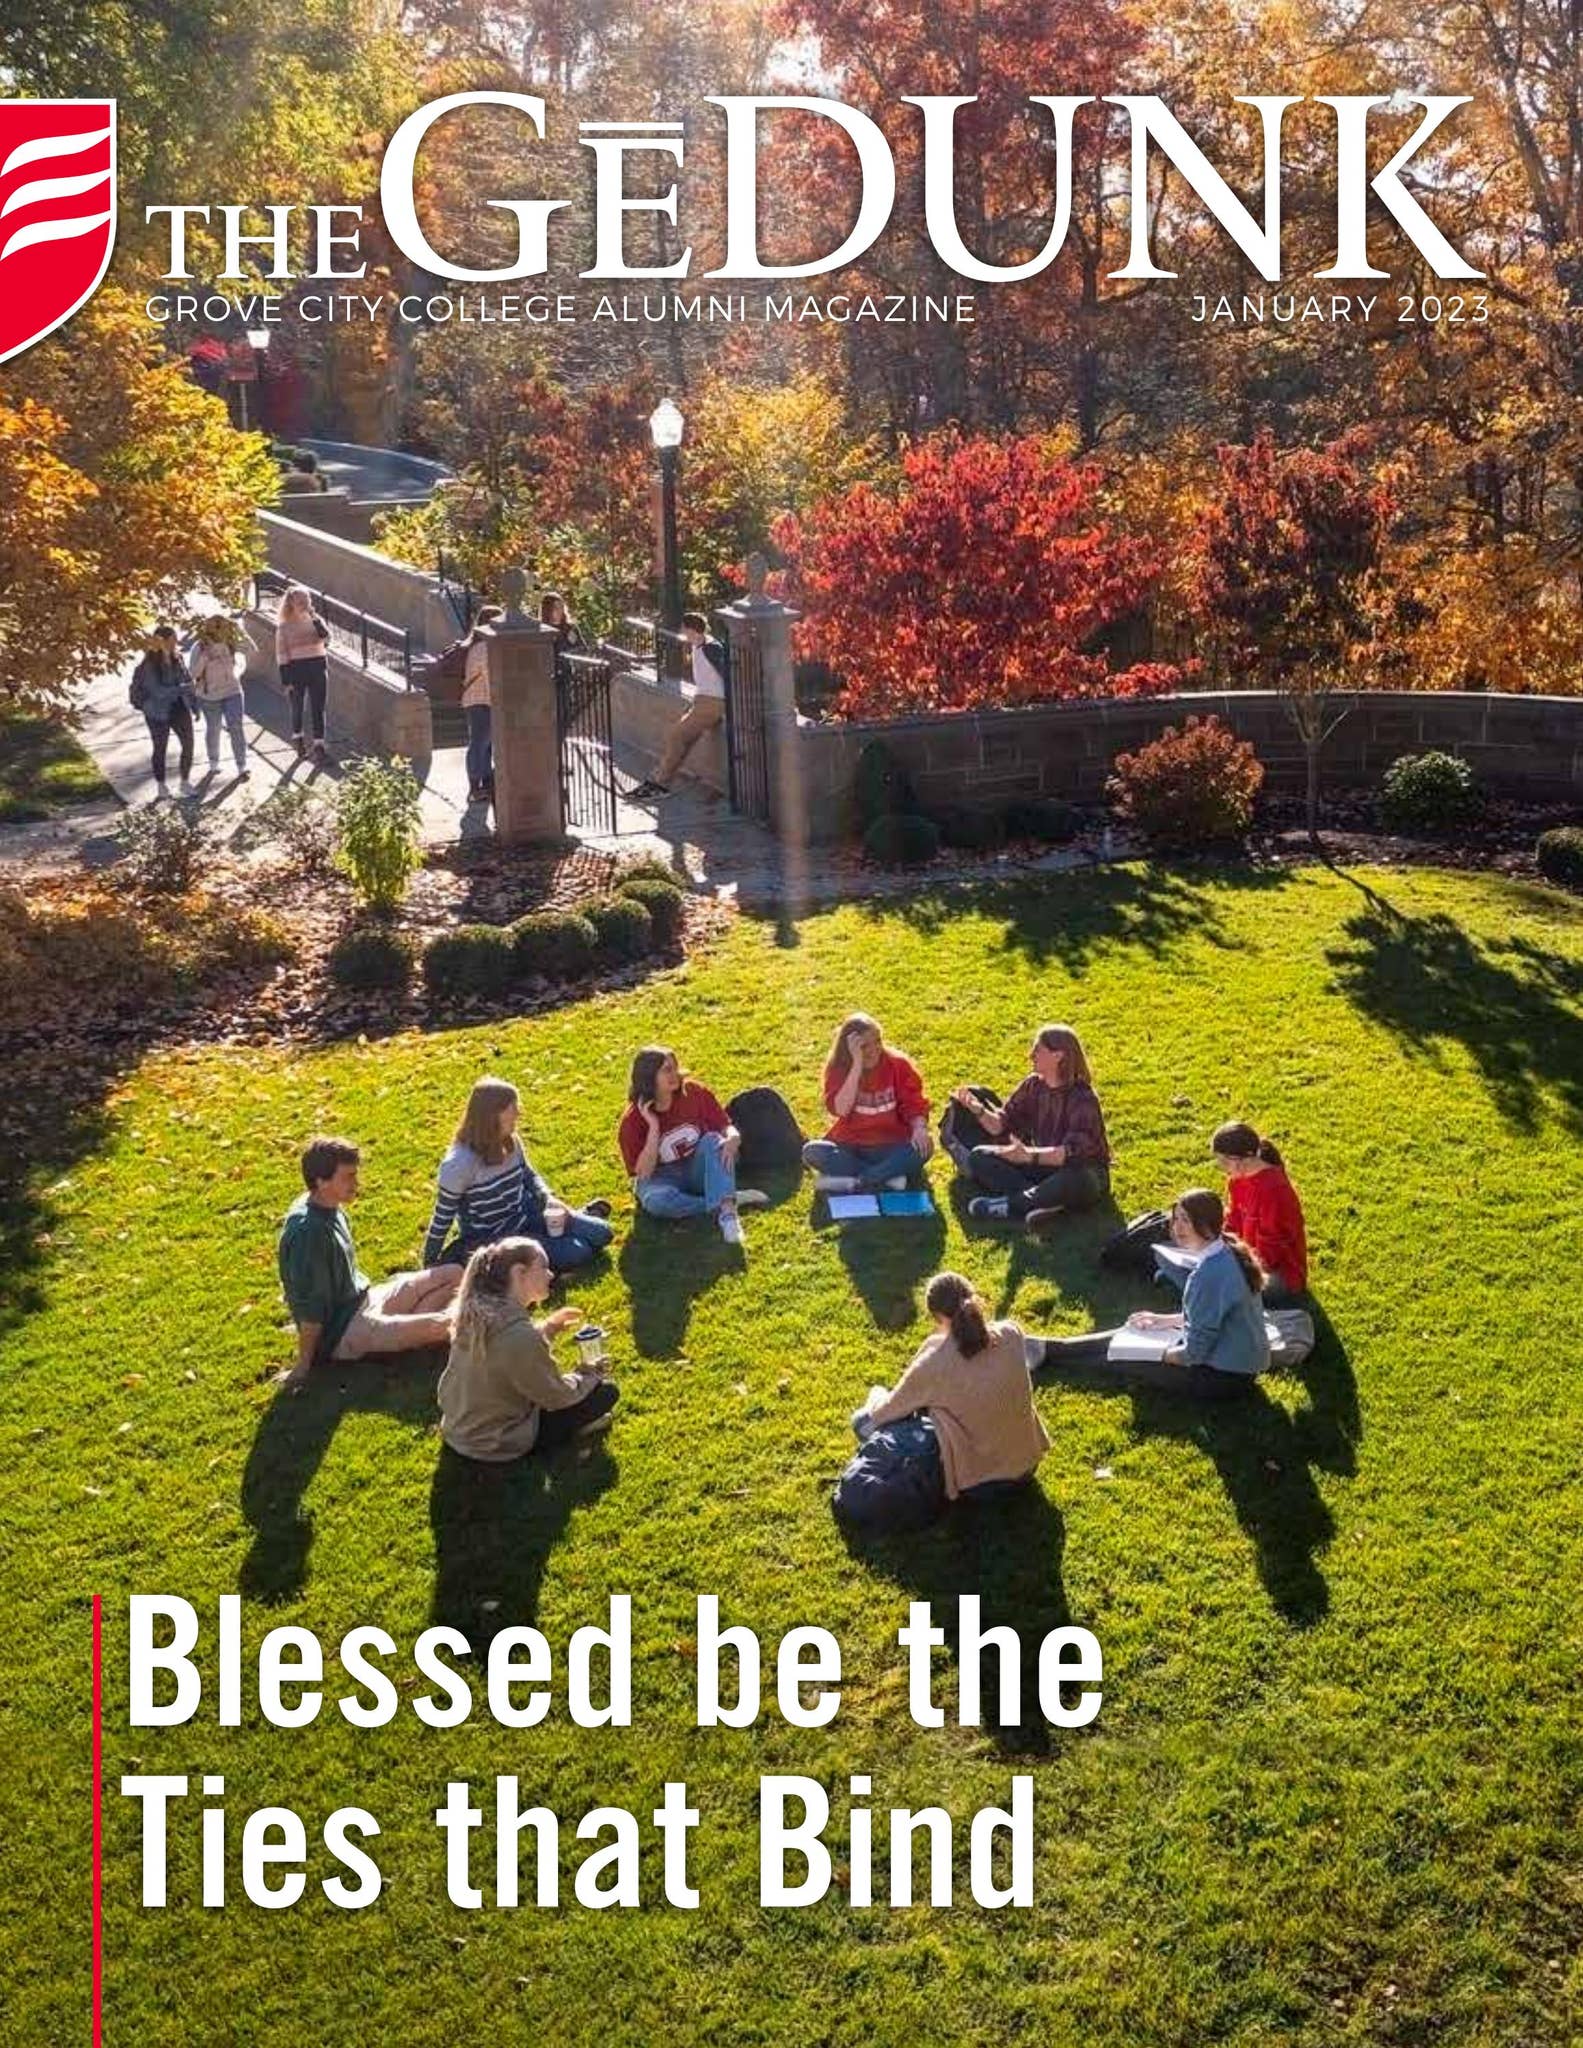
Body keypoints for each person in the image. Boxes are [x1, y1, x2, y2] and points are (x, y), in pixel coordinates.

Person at [1035, 1188, 1270, 1401]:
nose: (1176, 1228)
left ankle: (1052, 1358)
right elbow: (1211, 1316)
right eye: (1175, 1218)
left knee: (1126, 1356)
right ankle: (1047, 1347)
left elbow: (1194, 1354)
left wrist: (1157, 1353)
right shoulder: (1227, 1251)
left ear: (1206, 1225)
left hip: (1223, 1378)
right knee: (1136, 1331)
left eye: (1185, 1221)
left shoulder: (1209, 1274)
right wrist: (1163, 1321)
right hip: (1232, 1360)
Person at [276, 1137, 462, 1389]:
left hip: (365, 1299)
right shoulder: (309, 1235)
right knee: (444, 1323)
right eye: (348, 1177)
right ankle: (501, 1325)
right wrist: (304, 1365)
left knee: (454, 1274)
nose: (356, 1183)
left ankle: (404, 1335)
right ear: (321, 1181)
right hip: (344, 1331)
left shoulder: (329, 1204)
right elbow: (312, 1308)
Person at [858, 1273, 1049, 1503]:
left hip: (982, 1484)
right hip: (1028, 1464)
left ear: (937, 1316)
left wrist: (876, 1396)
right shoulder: (1011, 1332)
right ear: (973, 1296)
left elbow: (882, 1414)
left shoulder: (934, 1364)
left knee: (862, 1421)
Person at [437, 1237, 618, 1461]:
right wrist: (590, 1373)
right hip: (495, 1442)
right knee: (606, 1392)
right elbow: (556, 1395)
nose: (551, 1275)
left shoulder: (475, 1314)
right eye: (543, 1267)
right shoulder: (519, 1336)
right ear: (519, 1272)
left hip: (459, 1430)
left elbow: (506, 1350)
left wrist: (549, 1327)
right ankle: (578, 1429)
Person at [424, 1077, 614, 1274]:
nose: (518, 1113)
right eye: (512, 1108)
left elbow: (529, 1176)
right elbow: (442, 1218)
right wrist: (429, 1263)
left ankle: (572, 1224)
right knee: (578, 1251)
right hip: (499, 1237)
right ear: (493, 1115)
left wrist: (548, 1199)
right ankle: (561, 1235)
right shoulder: (458, 1164)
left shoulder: (511, 1141)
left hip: (529, 1213)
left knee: (603, 1233)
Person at [959, 1024, 1111, 1230]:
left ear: (1058, 1055)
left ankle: (1011, 1206)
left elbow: (1070, 1153)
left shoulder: (1082, 1098)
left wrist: (1028, 1156)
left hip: (1081, 1171)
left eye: (1038, 1049)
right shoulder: (1033, 1086)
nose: (1031, 1055)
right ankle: (1045, 1201)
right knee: (979, 1155)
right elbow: (1000, 1126)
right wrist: (977, 1110)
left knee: (1077, 1179)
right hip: (1043, 1166)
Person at [618, 1046, 766, 1246]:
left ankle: (728, 1216)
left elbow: (724, 1126)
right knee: (656, 1202)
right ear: (648, 1077)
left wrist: (733, 1137)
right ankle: (723, 1199)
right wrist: (653, 1127)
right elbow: (643, 1174)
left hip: (696, 1167)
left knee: (714, 1141)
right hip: (661, 1178)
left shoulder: (694, 1092)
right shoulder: (633, 1120)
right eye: (666, 1070)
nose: (675, 1074)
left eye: (675, 1067)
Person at [803, 1013, 934, 1193]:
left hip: (891, 1144)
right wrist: (857, 1064)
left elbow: (913, 1103)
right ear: (849, 1048)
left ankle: (860, 1180)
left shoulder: (898, 1064)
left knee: (923, 1149)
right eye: (864, 1046)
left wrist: (920, 1128)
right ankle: (887, 1178)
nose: (874, 1050)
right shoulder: (839, 1068)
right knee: (813, 1151)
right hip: (851, 1145)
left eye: (877, 1041)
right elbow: (841, 1109)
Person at [629, 612, 727, 799]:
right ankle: (659, 779)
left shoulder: (710, 648)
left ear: (691, 629)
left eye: (684, 628)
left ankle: (661, 783)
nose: (682, 632)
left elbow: (727, 673)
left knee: (677, 736)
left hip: (712, 702)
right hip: (702, 700)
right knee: (682, 740)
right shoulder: (698, 644)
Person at [1212, 1121, 1308, 1303]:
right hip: (1246, 1261)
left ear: (1239, 1160)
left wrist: (1238, 1267)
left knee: (1222, 1285)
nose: (1223, 1168)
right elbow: (1232, 1223)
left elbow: (1271, 1250)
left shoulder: (1275, 1189)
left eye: (1224, 1162)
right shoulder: (1236, 1181)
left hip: (1278, 1275)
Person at [128, 625, 198, 796]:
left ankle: (185, 782)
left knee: (188, 744)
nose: (176, 643)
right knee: (160, 747)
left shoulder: (178, 658)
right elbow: (158, 692)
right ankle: (161, 785)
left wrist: (195, 705)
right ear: (162, 642)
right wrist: (183, 688)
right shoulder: (149, 666)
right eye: (173, 640)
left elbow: (188, 680)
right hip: (157, 712)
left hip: (179, 707)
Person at [188, 614, 251, 780]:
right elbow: (193, 673)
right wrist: (205, 657)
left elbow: (251, 649)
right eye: (215, 626)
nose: (218, 629)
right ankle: (214, 762)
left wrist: (239, 630)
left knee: (236, 726)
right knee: (214, 728)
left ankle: (242, 765)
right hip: (210, 696)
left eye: (221, 625)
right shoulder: (199, 647)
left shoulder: (231, 642)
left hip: (233, 692)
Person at [455, 604, 507, 802]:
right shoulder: (484, 647)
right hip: (481, 701)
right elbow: (490, 676)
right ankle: (475, 787)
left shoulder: (476, 645)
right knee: (479, 744)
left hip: (479, 700)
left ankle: (484, 785)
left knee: (485, 745)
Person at [275, 583, 332, 762]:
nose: (304, 603)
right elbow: (281, 655)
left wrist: (315, 619)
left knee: (318, 707)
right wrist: (286, 680)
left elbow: (327, 639)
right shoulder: (283, 627)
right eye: (300, 601)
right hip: (296, 670)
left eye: (306, 600)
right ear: (291, 603)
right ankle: (298, 738)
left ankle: (319, 745)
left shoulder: (316, 620)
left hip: (318, 666)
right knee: (298, 707)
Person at [540, 591, 584, 655]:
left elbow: (581, 648)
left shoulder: (569, 629)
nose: (556, 611)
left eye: (559, 607)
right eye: (552, 608)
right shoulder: (541, 630)